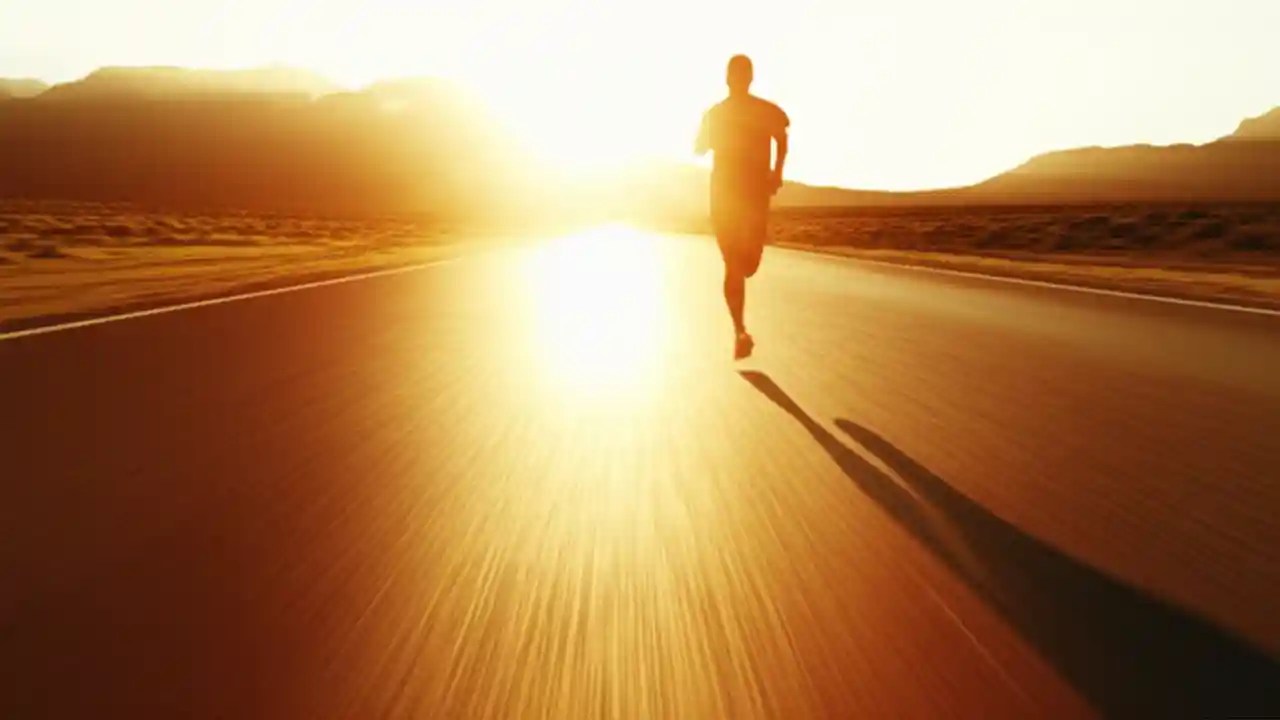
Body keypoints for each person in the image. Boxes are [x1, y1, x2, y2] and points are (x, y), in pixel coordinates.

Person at [695, 54, 789, 360]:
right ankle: (740, 331)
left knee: (746, 265)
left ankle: (739, 330)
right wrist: (776, 169)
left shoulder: (759, 111)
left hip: (749, 197)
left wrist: (777, 171)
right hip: (729, 198)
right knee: (736, 265)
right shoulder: (719, 114)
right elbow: (781, 137)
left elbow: (780, 135)